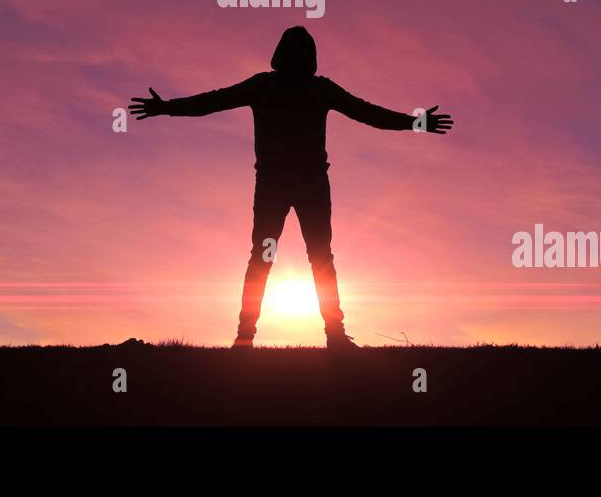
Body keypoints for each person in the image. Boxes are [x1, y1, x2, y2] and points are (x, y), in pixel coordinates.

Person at [130, 26, 453, 349]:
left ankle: (329, 334)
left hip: (306, 185)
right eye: (294, 48)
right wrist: (167, 107)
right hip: (277, 185)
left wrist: (415, 122)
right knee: (272, 257)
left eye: (303, 48)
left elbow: (366, 112)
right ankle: (249, 336)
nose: (298, 54)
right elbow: (214, 101)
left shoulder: (312, 89)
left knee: (310, 257)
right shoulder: (268, 86)